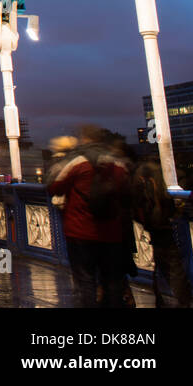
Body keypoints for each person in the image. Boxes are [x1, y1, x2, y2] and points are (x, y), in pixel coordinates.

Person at [45, 125, 130, 308]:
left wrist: (59, 157)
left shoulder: (78, 161)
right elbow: (127, 192)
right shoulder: (117, 163)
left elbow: (54, 186)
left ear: (84, 139)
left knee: (85, 281)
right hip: (112, 232)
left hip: (80, 231)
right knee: (113, 281)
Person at [131, 156, 191, 307]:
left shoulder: (142, 178)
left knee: (161, 263)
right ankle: (181, 299)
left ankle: (163, 298)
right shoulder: (160, 178)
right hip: (164, 225)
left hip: (153, 226)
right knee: (172, 264)